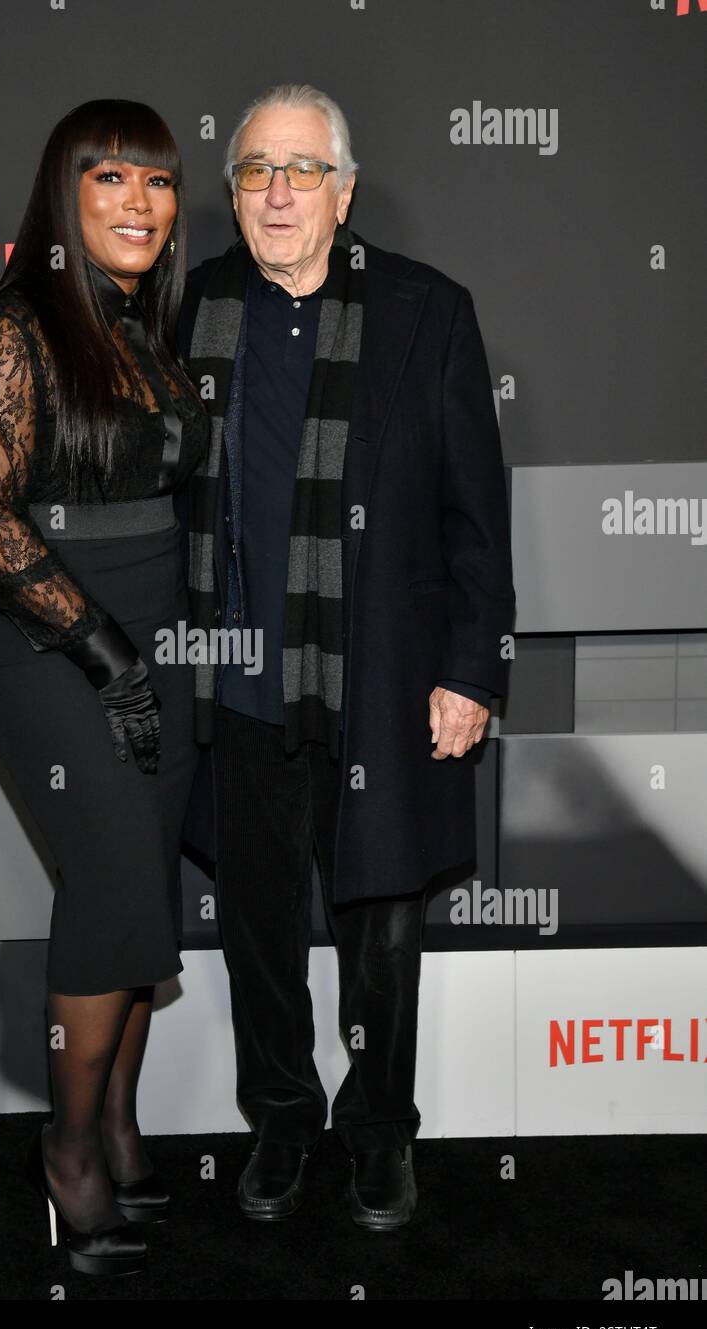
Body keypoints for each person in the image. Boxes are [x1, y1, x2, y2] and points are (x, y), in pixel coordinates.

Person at [176, 83, 515, 1231]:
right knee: (256, 928)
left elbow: (477, 511)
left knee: (381, 933)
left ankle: (379, 1134)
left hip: (378, 689)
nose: (277, 192)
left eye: (301, 169)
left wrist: (471, 668)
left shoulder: (425, 313)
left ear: (345, 190)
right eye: (255, 172)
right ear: (233, 196)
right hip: (236, 691)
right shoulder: (190, 309)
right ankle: (279, 1119)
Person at [0, 99, 208, 1275]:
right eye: (109, 180)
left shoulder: (148, 330)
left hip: (157, 646)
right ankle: (64, 1152)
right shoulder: (13, 331)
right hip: (50, 653)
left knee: (144, 889)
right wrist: (102, 651)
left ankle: (114, 1123)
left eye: (155, 183)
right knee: (107, 886)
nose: (138, 204)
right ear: (65, 196)